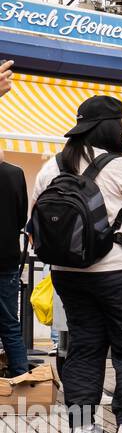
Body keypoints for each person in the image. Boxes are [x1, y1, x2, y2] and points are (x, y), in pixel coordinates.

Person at [33, 96, 122, 433]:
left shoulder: (52, 166)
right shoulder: (118, 166)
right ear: (112, 128)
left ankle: (81, 428)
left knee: (83, 345)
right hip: (117, 271)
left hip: (67, 272)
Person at [0, 149, 28, 377]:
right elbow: (21, 217)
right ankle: (20, 376)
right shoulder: (15, 174)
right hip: (7, 257)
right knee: (10, 323)